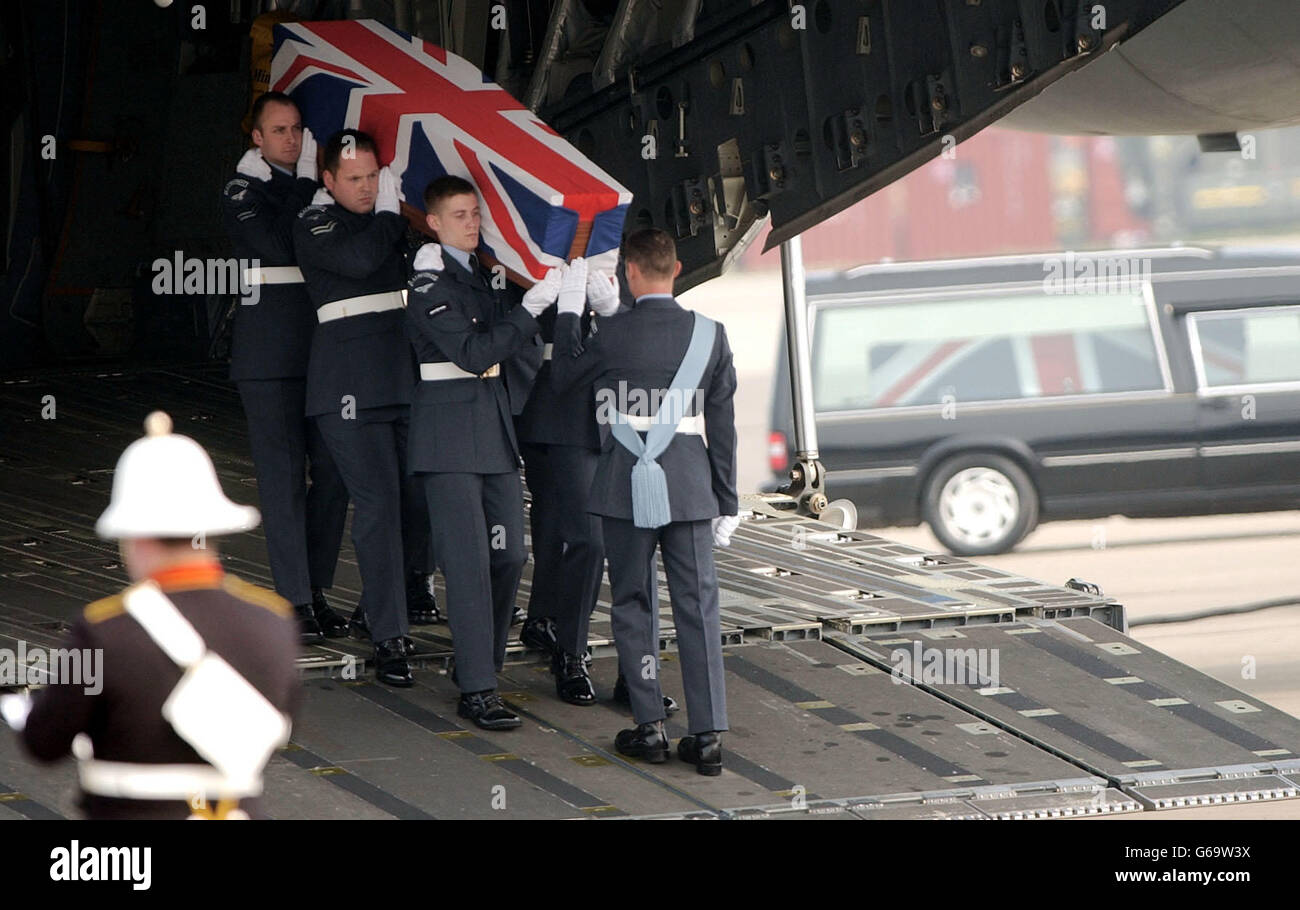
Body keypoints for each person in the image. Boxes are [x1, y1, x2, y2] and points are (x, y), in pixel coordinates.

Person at [0, 412, 298, 819]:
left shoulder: (102, 630)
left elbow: (44, 744)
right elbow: (285, 720)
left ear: (135, 535)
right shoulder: (273, 620)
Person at [550, 229, 740, 775]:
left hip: (623, 482)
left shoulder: (612, 334)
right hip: (688, 485)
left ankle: (650, 724)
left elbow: (563, 377)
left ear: (629, 274)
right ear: (676, 268)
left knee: (633, 601)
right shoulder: (711, 334)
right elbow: (722, 427)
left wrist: (569, 312)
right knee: (698, 607)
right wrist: (725, 499)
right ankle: (706, 737)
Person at [405, 175, 553, 730]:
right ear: (434, 222)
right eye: (461, 215)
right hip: (447, 435)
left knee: (509, 554)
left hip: (490, 428)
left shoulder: (480, 275)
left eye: (476, 214)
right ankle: (478, 687)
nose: (473, 224)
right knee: (466, 565)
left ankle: (479, 665)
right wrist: (529, 308)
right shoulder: (428, 282)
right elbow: (472, 352)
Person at [292, 129, 435, 687]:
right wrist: (392, 214)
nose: (366, 186)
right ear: (328, 180)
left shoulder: (390, 226)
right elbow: (355, 261)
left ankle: (382, 608)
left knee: (413, 501)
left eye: (374, 176)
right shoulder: (315, 221)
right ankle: (390, 637)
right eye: (354, 178)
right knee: (376, 505)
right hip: (346, 390)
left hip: (400, 382)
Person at [221, 90, 349, 643]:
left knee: (335, 473)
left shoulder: (310, 189)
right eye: (278, 131)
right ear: (256, 137)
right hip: (268, 357)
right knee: (282, 481)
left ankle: (314, 590)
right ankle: (294, 599)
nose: (291, 140)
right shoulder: (240, 189)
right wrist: (310, 183)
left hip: (320, 352)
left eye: (297, 129)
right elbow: (275, 245)